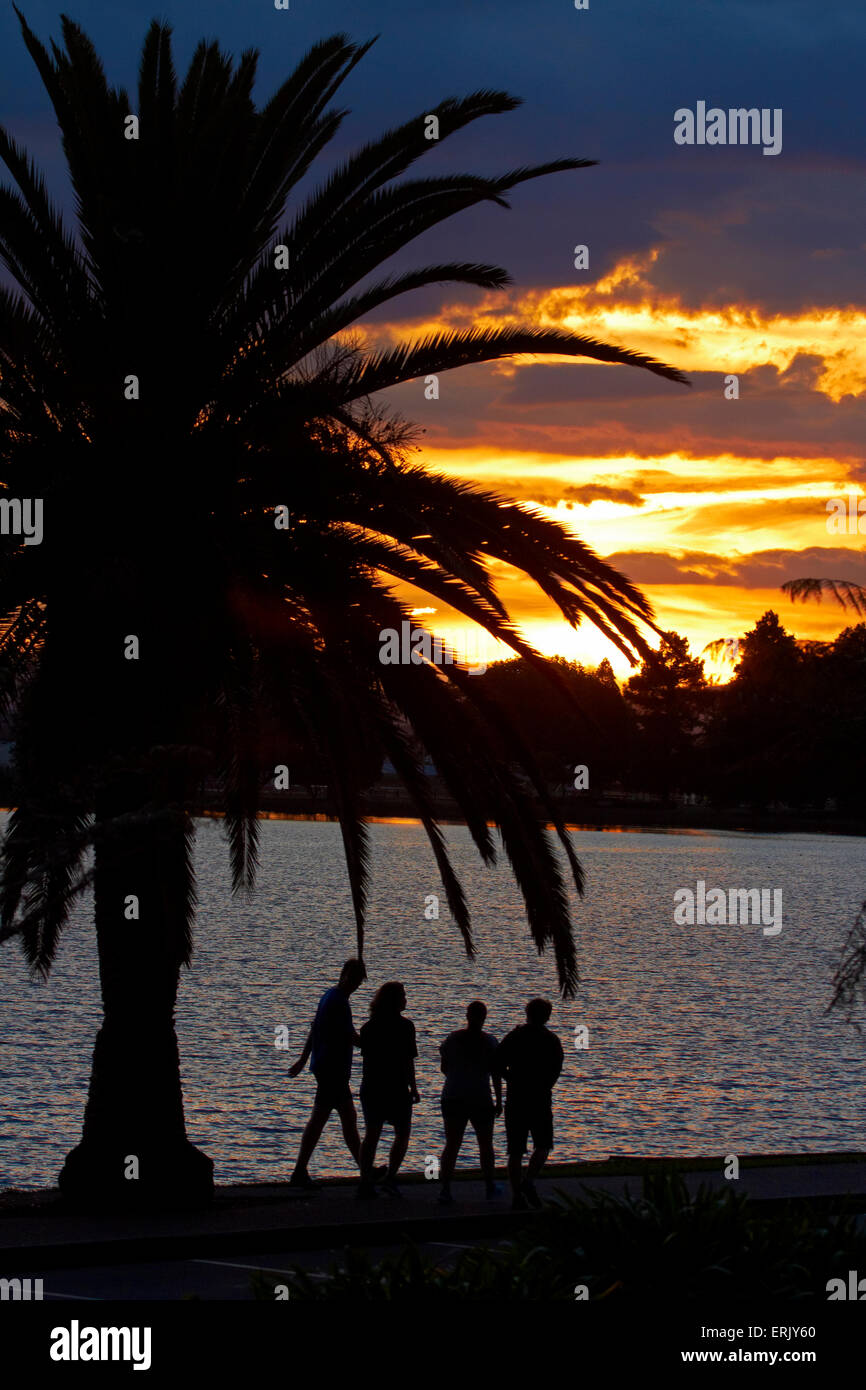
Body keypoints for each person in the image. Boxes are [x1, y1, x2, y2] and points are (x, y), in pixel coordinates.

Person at [287, 958, 367, 1190]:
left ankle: (364, 1168)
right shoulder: (338, 1002)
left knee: (334, 1119)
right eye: (352, 978)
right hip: (331, 1069)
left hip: (327, 1067)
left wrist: (303, 1059)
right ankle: (365, 1170)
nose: (354, 984)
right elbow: (348, 1035)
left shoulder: (330, 997)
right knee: (339, 1120)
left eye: (357, 980)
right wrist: (373, 1046)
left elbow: (316, 1027)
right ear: (344, 975)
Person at [495, 997, 564, 1211]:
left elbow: (496, 1063)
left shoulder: (515, 1036)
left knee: (515, 1150)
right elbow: (556, 1069)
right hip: (540, 1098)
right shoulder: (551, 1040)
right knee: (543, 1145)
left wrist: (511, 1079)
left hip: (517, 1098)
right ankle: (529, 1181)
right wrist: (544, 1085)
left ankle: (517, 1194)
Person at [356, 982, 418, 1199]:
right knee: (402, 1133)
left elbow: (367, 1059)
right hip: (396, 1087)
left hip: (372, 1087)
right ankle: (390, 1177)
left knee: (372, 1134)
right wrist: (414, 1087)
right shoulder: (406, 1027)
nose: (405, 999)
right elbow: (408, 1061)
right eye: (403, 995)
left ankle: (365, 1180)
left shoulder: (369, 1027)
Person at [437, 1001, 502, 1204]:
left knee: (452, 1144)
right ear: (484, 1017)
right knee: (485, 1144)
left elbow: (444, 1068)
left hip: (453, 1095)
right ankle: (489, 1186)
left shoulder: (453, 1039)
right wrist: (499, 1100)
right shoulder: (490, 1042)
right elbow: (496, 1073)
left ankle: (445, 1189)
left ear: (467, 1015)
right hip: (479, 1096)